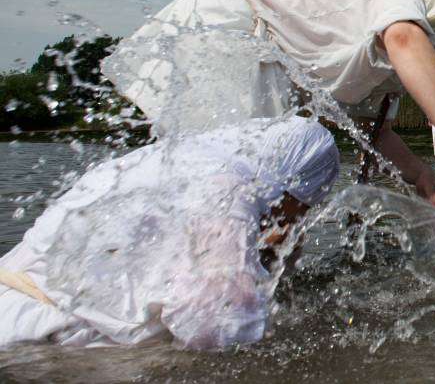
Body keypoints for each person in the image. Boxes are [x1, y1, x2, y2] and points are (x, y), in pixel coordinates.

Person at [102, 0, 435, 206]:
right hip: (228, 32)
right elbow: (406, 37)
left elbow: (372, 131)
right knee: (233, 186)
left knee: (246, 190)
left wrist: (422, 176)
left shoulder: (387, 69)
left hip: (256, 58)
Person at [0, 116, 338, 349]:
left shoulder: (177, 158)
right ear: (298, 179)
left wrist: (256, 251)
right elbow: (215, 325)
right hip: (39, 341)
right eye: (313, 196)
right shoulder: (228, 193)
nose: (305, 213)